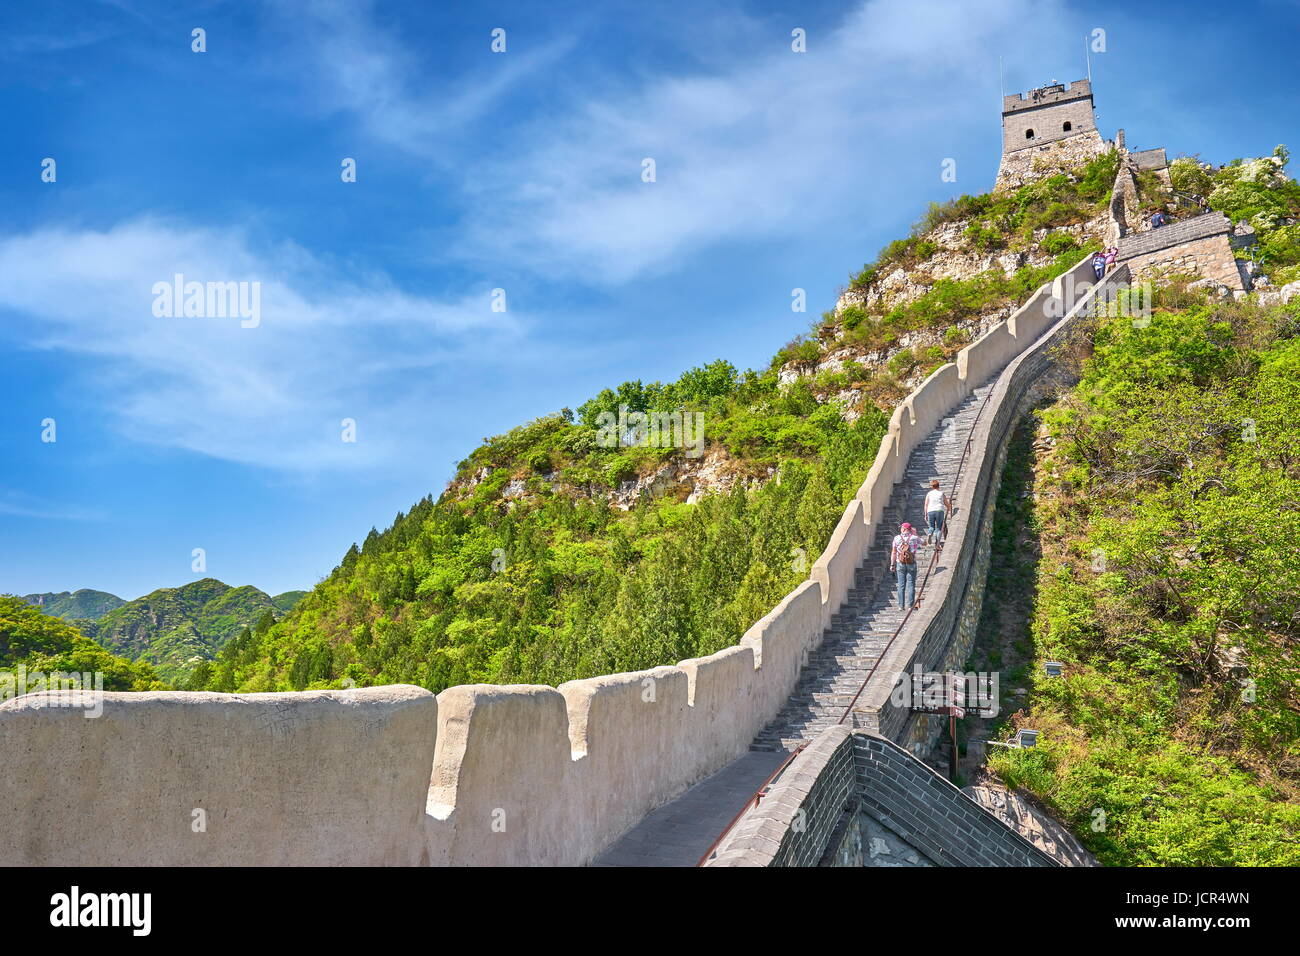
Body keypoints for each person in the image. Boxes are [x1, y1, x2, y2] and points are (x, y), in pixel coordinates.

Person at [890, 522, 922, 611]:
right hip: (911, 563)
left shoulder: (896, 538)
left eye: (902, 528)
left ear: (904, 529)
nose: (900, 529)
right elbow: (925, 543)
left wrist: (892, 564)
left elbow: (893, 552)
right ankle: (910, 606)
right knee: (911, 584)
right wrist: (915, 534)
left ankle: (901, 606)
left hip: (900, 563)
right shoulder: (914, 538)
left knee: (901, 585)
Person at [923, 480, 949, 549]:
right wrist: (950, 507)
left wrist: (925, 514)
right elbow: (946, 503)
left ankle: (929, 533)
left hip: (930, 511)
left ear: (932, 487)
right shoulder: (941, 493)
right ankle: (937, 544)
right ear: (938, 486)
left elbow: (926, 505)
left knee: (931, 526)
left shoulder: (929, 494)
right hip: (939, 510)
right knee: (939, 528)